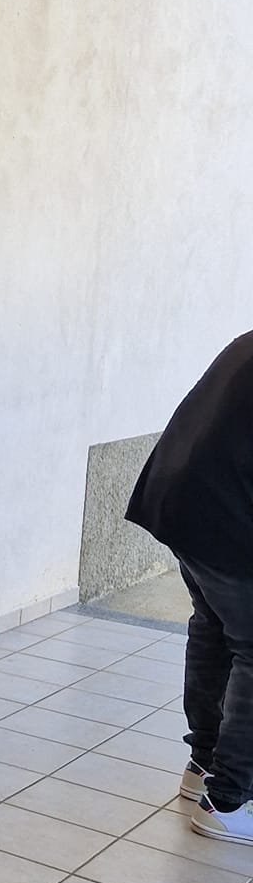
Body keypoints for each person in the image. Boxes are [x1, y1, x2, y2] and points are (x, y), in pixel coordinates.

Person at [126, 330, 253, 844]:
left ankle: (203, 765)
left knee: (213, 627)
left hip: (180, 497)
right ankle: (229, 800)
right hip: (220, 510)